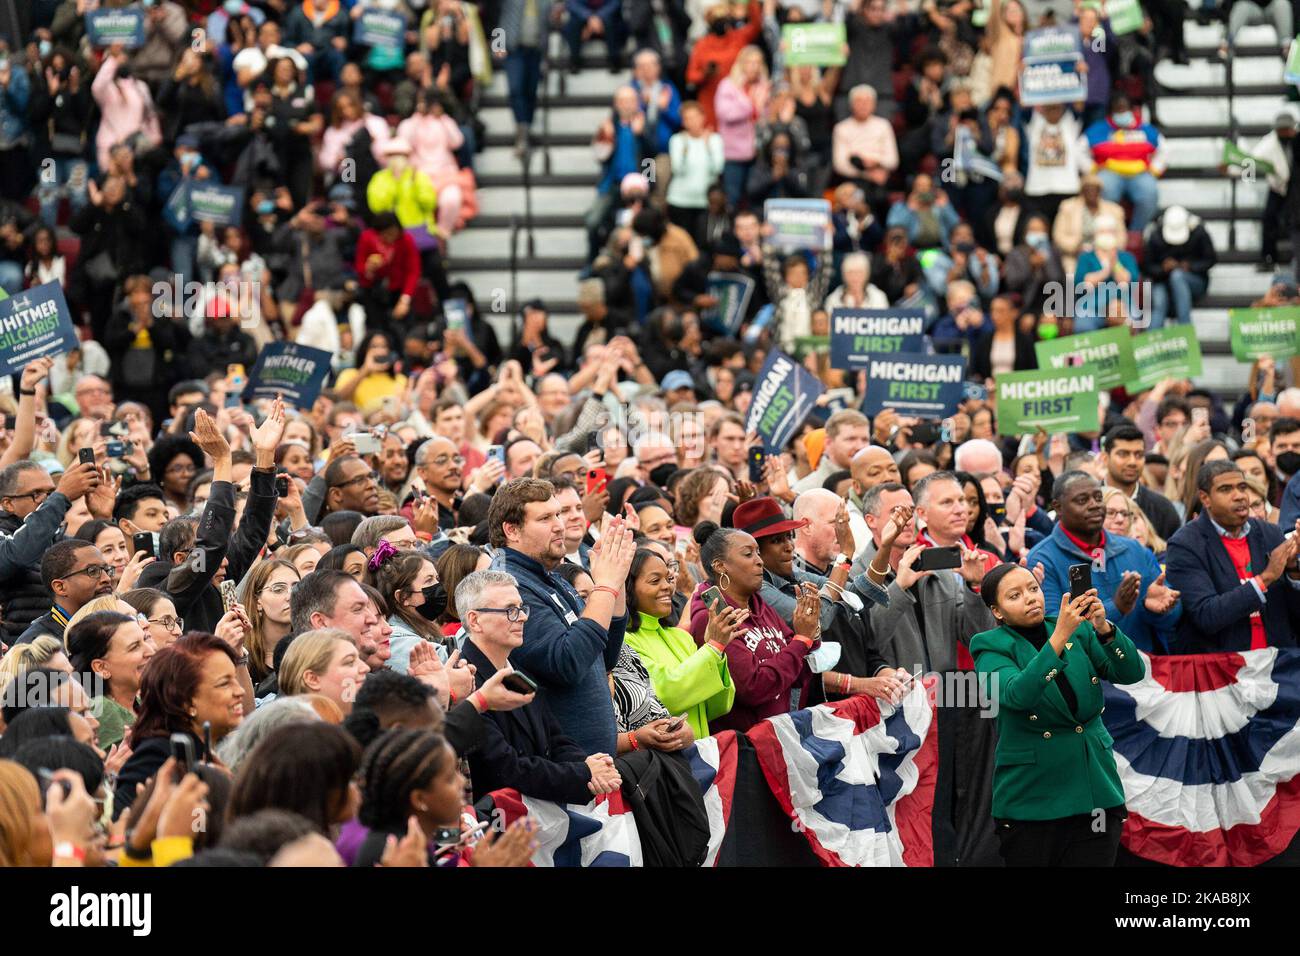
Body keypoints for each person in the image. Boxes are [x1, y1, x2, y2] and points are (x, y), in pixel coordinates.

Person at [971, 564, 1145, 867]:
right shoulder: (990, 646)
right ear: (997, 611)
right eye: (1015, 595)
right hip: (1034, 799)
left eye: (1033, 589)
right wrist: (1060, 634)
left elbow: (1132, 672)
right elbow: (1017, 695)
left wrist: (1103, 627)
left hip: (1094, 789)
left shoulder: (1078, 630)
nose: (1029, 598)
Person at [488, 478, 635, 756]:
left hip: (592, 769)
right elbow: (567, 662)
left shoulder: (549, 576)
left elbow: (603, 656)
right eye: (545, 518)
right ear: (512, 530)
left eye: (558, 514)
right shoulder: (508, 586)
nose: (559, 525)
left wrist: (617, 582)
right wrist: (603, 586)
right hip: (560, 773)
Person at [455, 569, 621, 803]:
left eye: (522, 608)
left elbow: (554, 736)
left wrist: (588, 765)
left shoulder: (515, 668)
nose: (522, 617)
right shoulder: (466, 681)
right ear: (475, 620)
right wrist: (584, 772)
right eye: (510, 611)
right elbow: (505, 768)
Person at [685, 520, 822, 733]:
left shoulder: (761, 606)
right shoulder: (712, 618)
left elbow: (801, 670)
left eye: (758, 553)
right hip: (745, 748)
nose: (759, 562)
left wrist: (809, 627)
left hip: (782, 735)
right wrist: (801, 640)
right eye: (748, 554)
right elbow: (753, 687)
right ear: (720, 566)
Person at [1027, 471, 1181, 654]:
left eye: (1098, 498)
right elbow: (1052, 631)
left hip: (1144, 673)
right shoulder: (1042, 560)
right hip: (1088, 676)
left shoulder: (1135, 549)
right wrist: (1115, 608)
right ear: (1058, 507)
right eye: (1082, 500)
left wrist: (1156, 610)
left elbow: (1173, 618)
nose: (1094, 505)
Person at [1166, 460, 1300, 652]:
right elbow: (1206, 616)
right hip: (1222, 668)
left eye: (1242, 487)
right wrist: (1265, 578)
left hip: (1279, 665)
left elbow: (1293, 614)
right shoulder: (1185, 544)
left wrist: (1294, 570)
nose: (1238, 496)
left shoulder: (1271, 533)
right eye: (1226, 489)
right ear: (1205, 498)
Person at [353, 727, 537, 867]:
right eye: (449, 778)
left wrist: (451, 838)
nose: (462, 782)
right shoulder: (392, 852)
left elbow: (433, 844)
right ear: (419, 799)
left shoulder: (412, 835)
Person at [114, 633, 247, 818]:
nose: (239, 691)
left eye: (235, 679)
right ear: (186, 702)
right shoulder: (160, 757)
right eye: (224, 684)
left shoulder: (212, 746)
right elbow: (124, 828)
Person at [65, 610, 156, 750]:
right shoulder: (103, 710)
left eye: (145, 639)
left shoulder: (140, 702)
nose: (150, 651)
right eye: (135, 647)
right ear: (101, 668)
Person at [1142, 206, 1216, 328]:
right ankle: (1151, 343)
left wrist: (1189, 266)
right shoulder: (1155, 235)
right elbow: (1147, 266)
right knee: (1159, 302)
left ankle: (1185, 329)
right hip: (1162, 281)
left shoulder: (1199, 231)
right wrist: (1163, 269)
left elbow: (1210, 260)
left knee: (1177, 276)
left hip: (1193, 281)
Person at [239, 559, 301, 686]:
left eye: (296, 587)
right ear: (258, 602)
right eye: (278, 589)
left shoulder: (311, 646)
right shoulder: (241, 654)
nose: (290, 596)